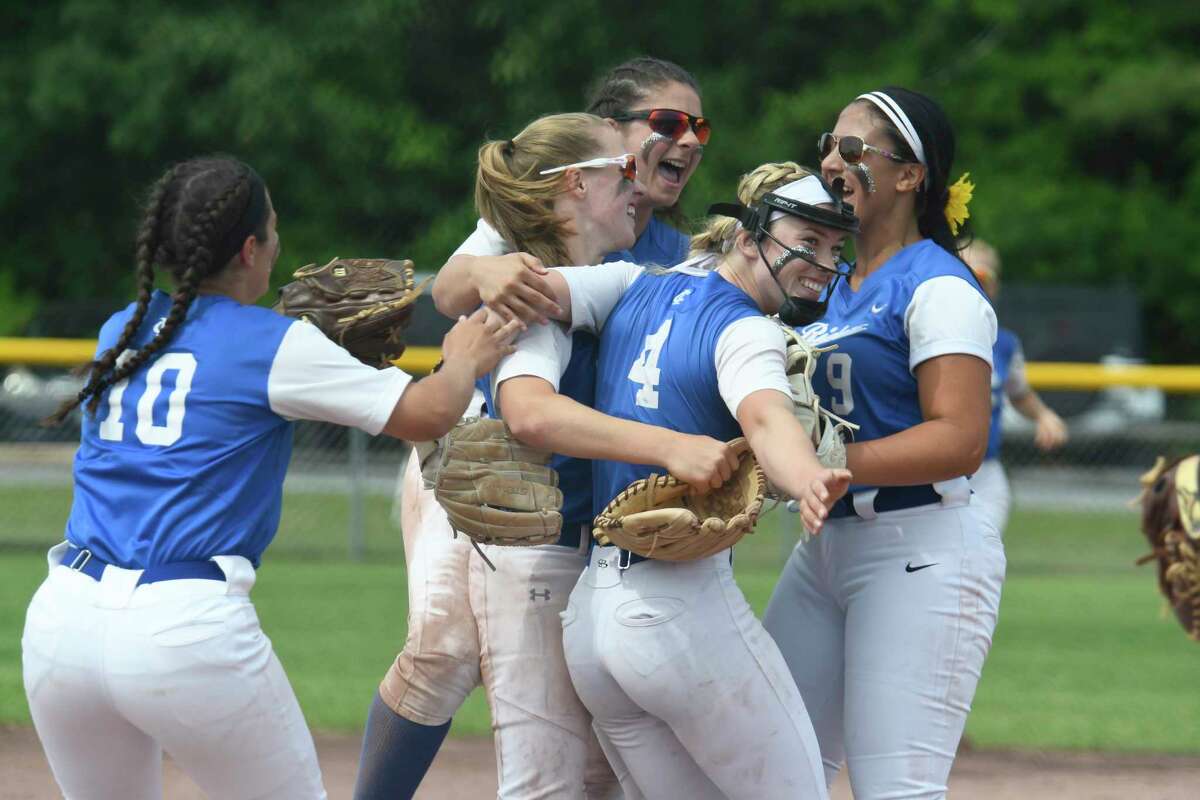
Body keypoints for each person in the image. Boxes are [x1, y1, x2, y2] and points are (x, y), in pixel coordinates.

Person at [21, 155, 519, 800]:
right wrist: (463, 357)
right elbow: (427, 414)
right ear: (250, 249)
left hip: (63, 619)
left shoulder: (124, 327)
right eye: (273, 230)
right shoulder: (273, 344)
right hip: (183, 627)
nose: (279, 245)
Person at [355, 108, 730, 800]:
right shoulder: (530, 281)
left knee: (593, 769)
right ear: (575, 185)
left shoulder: (598, 264)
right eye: (625, 166)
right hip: (532, 545)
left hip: (569, 544)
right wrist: (674, 448)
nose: (639, 180)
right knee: (539, 773)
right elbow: (529, 412)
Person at [497, 161, 856, 798]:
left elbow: (515, 287)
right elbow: (767, 419)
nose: (824, 262)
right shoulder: (745, 327)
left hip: (594, 620)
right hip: (679, 611)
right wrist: (808, 478)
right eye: (807, 240)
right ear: (747, 238)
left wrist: (467, 273)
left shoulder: (635, 281)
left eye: (834, 247)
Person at [761, 87, 1005, 799]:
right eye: (828, 147)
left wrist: (821, 466)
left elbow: (960, 439)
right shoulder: (829, 282)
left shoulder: (938, 284)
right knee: (767, 770)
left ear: (910, 175)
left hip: (919, 544)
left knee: (895, 788)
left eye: (854, 149)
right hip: (826, 547)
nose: (832, 162)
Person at [432, 56, 707, 325]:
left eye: (699, 129)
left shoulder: (690, 257)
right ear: (611, 129)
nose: (692, 141)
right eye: (669, 124)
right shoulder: (536, 215)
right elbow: (445, 293)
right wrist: (480, 272)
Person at [961, 238, 1069, 534]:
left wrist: (1043, 415)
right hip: (937, 468)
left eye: (982, 279)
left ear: (994, 286)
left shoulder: (1005, 343)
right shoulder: (922, 333)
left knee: (983, 546)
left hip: (985, 469)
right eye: (964, 276)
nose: (974, 286)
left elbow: (1018, 392)